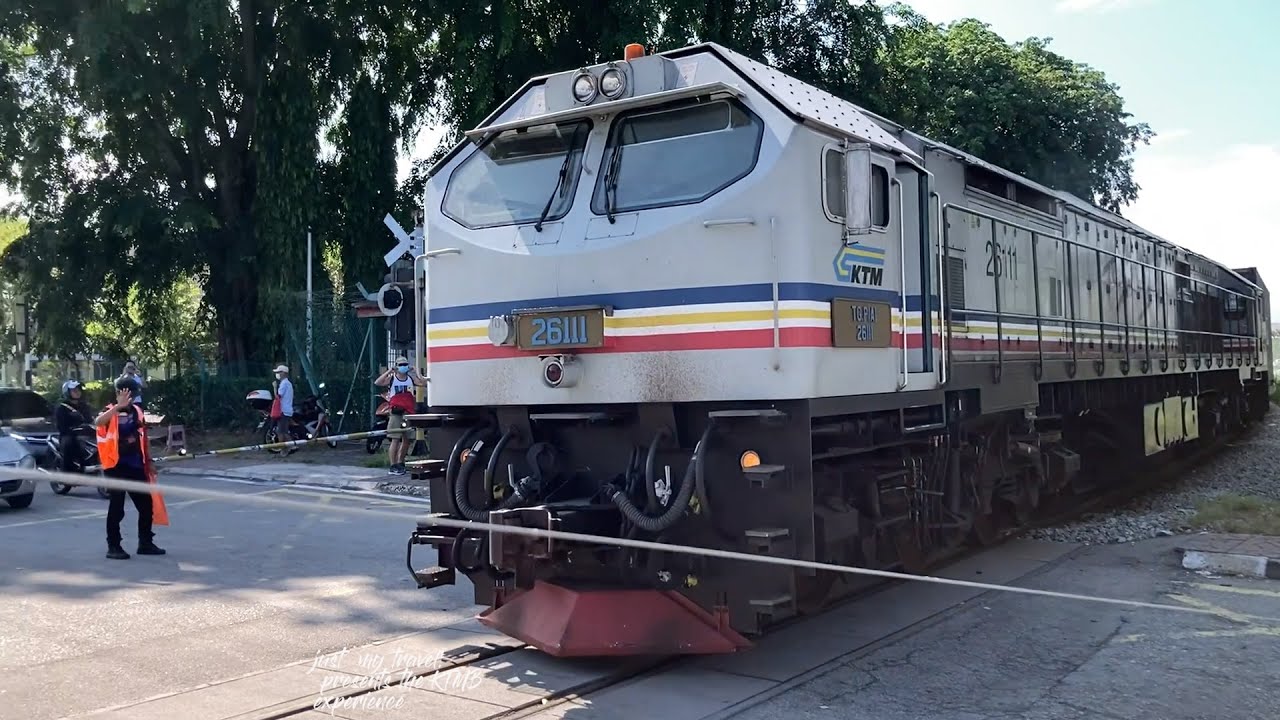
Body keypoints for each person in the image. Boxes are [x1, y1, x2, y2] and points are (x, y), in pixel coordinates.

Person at [95, 376, 168, 560]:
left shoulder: (137, 411)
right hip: (115, 466)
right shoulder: (109, 411)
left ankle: (145, 543)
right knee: (117, 508)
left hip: (135, 465)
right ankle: (114, 546)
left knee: (146, 505)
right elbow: (98, 422)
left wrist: (149, 462)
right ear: (120, 393)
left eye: (133, 395)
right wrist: (117, 407)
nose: (132, 398)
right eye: (129, 394)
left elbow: (143, 436)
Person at [374, 357, 426, 475]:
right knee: (395, 439)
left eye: (405, 364)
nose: (403, 367)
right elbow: (378, 382)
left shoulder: (410, 379)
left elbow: (423, 383)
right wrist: (389, 371)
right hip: (396, 412)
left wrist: (416, 371)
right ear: (397, 366)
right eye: (401, 365)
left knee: (407, 439)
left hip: (408, 411)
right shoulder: (392, 379)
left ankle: (400, 462)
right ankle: (393, 465)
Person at [55, 380, 92, 472]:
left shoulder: (84, 406)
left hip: (85, 434)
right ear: (67, 392)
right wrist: (73, 429)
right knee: (68, 443)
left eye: (79, 390)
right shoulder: (62, 408)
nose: (77, 392)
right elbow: (61, 427)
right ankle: (67, 473)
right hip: (69, 435)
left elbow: (90, 420)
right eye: (74, 390)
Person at [272, 364, 294, 451]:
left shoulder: (284, 384)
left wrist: (274, 387)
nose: (277, 374)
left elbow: (278, 397)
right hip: (287, 410)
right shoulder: (288, 383)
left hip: (283, 411)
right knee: (284, 431)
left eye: (279, 372)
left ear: (284, 373)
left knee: (281, 432)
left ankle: (285, 449)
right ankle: (291, 446)